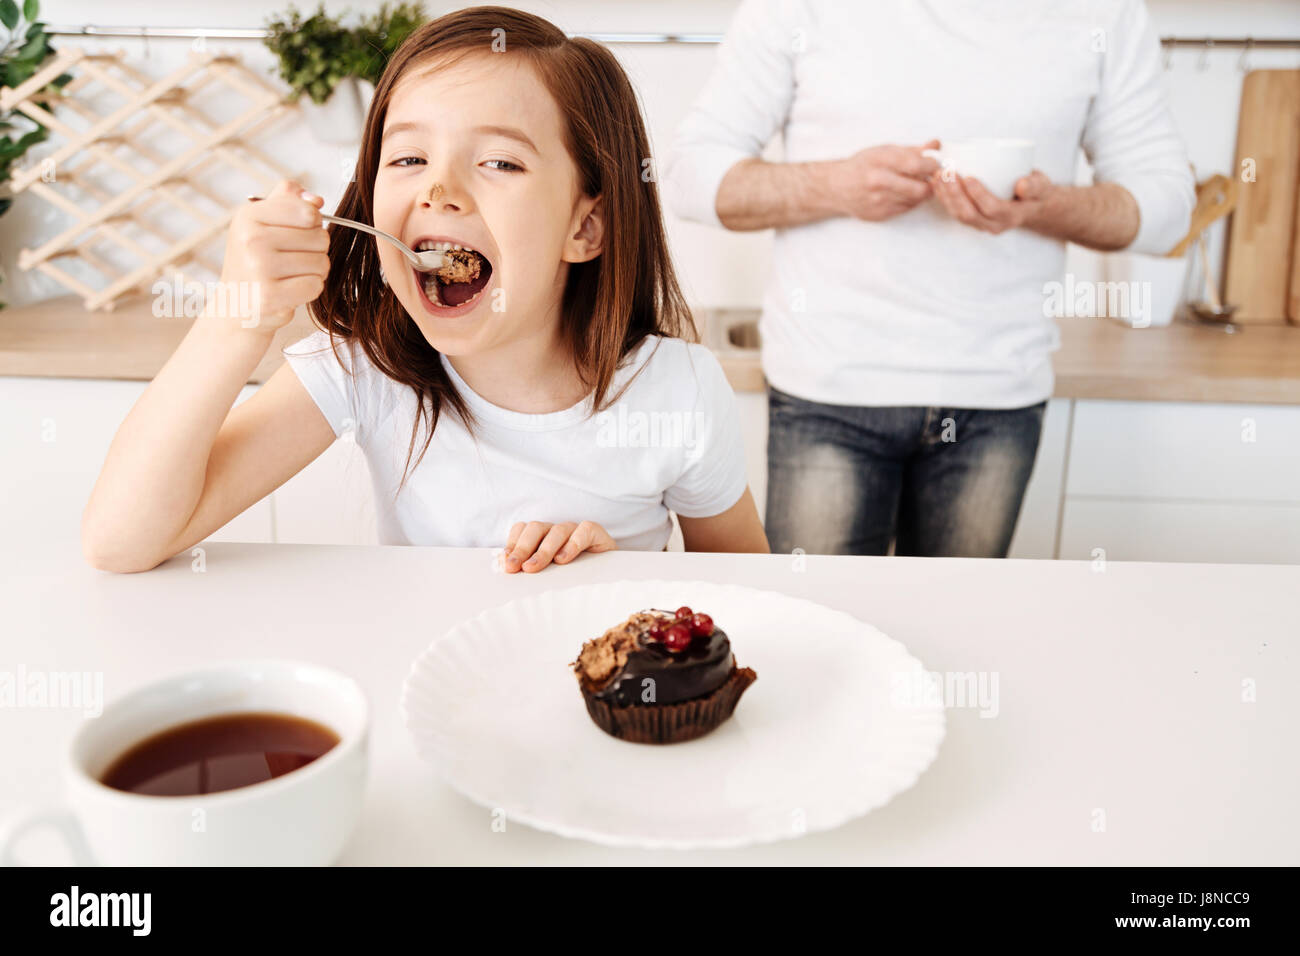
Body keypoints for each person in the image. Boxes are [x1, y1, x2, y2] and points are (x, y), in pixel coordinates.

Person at [81, 6, 770, 574]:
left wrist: (619, 580)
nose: (440, 191)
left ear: (585, 228)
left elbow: (746, 591)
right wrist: (236, 320)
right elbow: (121, 540)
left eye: (499, 161)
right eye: (409, 157)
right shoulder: (368, 367)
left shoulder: (676, 391)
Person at [665, 0, 1194, 557]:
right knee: (817, 626)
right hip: (829, 389)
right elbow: (688, 177)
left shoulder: (1104, 14)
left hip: (996, 397)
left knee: (955, 631)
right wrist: (837, 184)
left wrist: (1042, 205)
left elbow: (1168, 207)